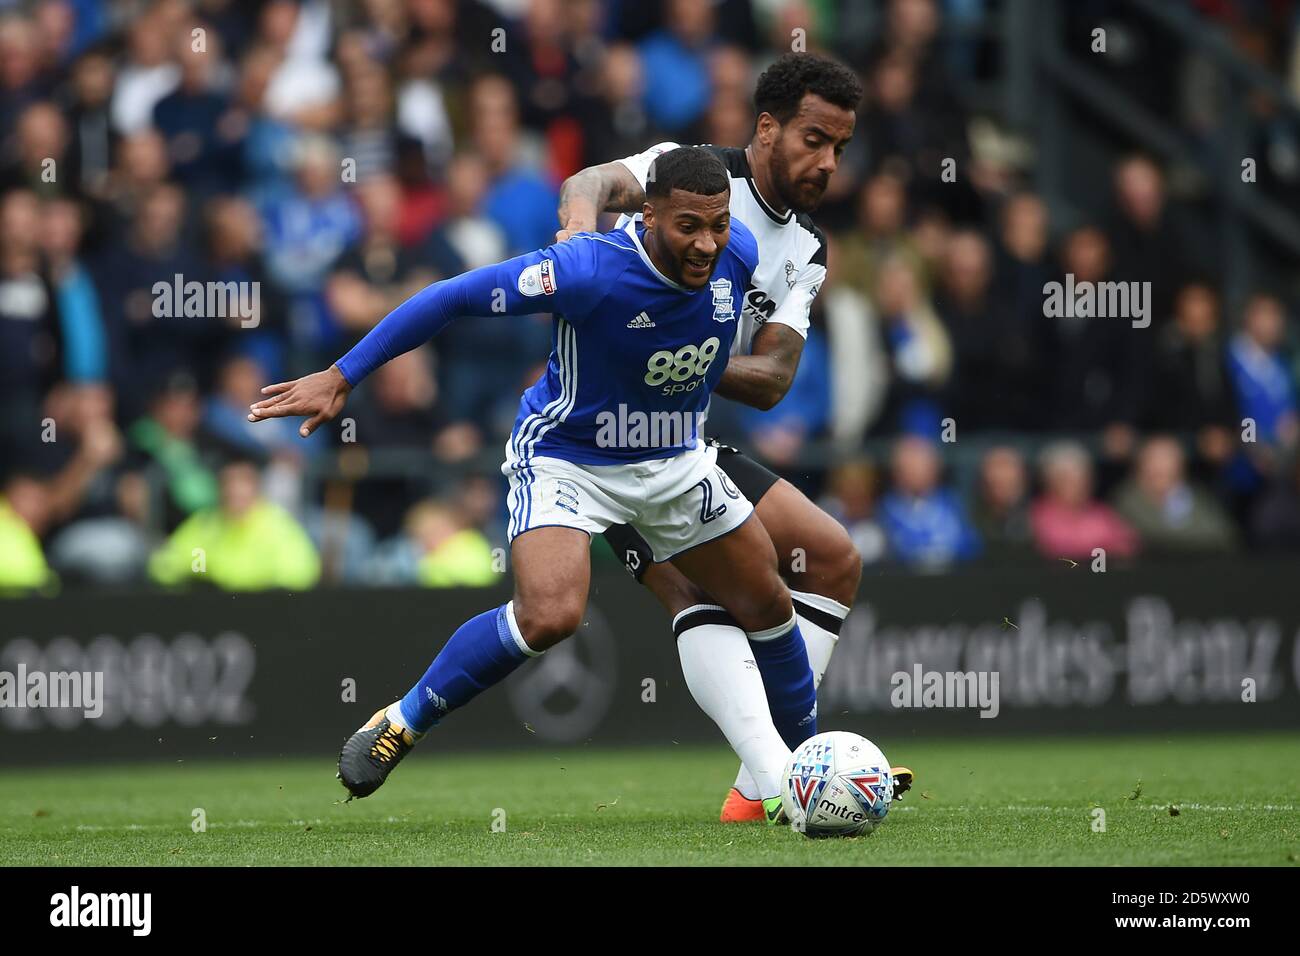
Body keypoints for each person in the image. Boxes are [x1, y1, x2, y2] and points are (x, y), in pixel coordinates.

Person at [249, 147, 811, 822]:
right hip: (568, 457)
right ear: (650, 213)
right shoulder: (587, 269)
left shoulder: (739, 252)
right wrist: (343, 375)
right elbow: (451, 297)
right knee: (551, 614)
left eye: (717, 224)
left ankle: (804, 775)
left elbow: (766, 352)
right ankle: (404, 719)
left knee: (770, 601)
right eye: (689, 225)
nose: (707, 243)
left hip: (674, 461)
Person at [556, 53, 913, 822]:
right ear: (766, 126)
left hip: (685, 438)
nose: (827, 161)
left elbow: (775, 377)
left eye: (840, 148)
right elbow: (585, 186)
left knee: (834, 559)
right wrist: (580, 248)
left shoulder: (808, 250)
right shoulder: (686, 171)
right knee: (693, 589)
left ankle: (774, 782)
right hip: (596, 436)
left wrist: (676, 354)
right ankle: (779, 781)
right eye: (814, 138)